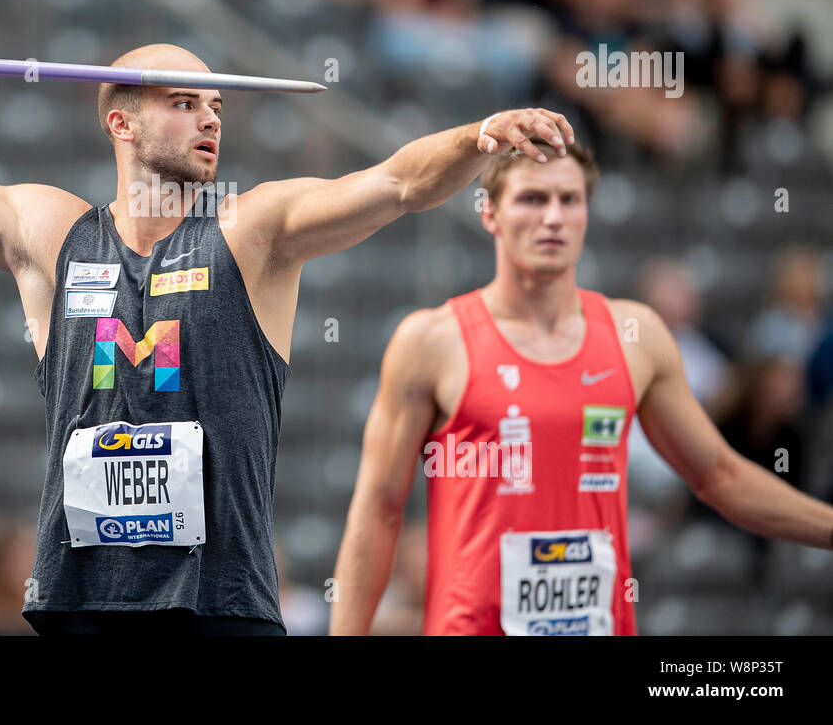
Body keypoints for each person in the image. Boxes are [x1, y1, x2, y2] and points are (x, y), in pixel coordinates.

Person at [0, 26, 574, 635]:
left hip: (219, 606)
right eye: (186, 100)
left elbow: (397, 183)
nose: (211, 115)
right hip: (80, 602)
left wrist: (481, 135)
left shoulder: (251, 232)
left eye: (219, 104)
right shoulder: (49, 233)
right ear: (120, 118)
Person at [330, 139, 833, 635]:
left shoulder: (636, 337)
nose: (553, 217)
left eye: (568, 200)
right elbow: (380, 508)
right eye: (532, 198)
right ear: (490, 214)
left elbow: (721, 477)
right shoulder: (431, 341)